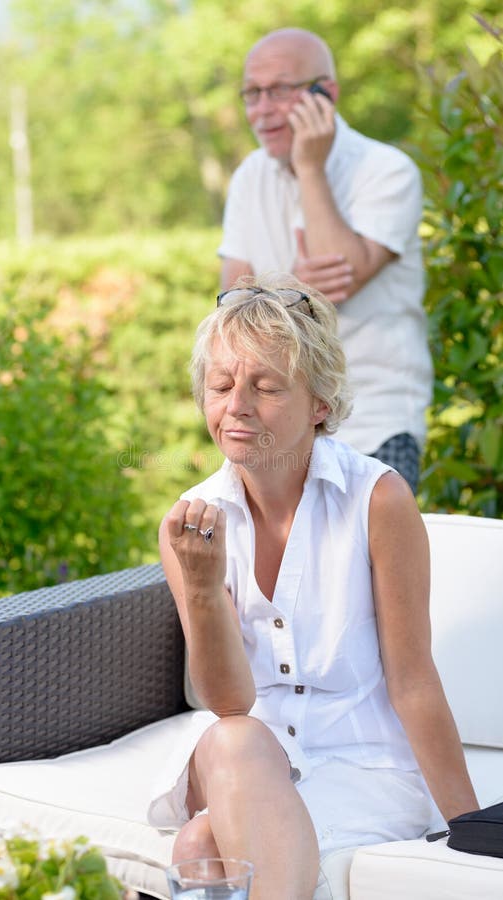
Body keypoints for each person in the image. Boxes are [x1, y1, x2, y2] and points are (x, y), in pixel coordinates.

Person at [147, 274, 477, 900]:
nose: (236, 406)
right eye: (220, 385)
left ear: (320, 404)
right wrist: (200, 583)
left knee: (197, 847)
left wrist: (472, 832)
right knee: (236, 738)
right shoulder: (190, 519)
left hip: (363, 764)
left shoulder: (377, 500)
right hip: (243, 756)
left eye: (265, 386)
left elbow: (411, 681)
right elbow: (230, 702)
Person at [218, 27, 433, 494]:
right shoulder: (249, 177)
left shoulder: (387, 170)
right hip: (279, 423)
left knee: (372, 565)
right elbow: (231, 303)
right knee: (280, 566)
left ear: (325, 94)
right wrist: (296, 286)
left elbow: (339, 277)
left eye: (278, 90)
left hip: (375, 418)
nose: (261, 109)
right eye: (252, 93)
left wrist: (310, 167)